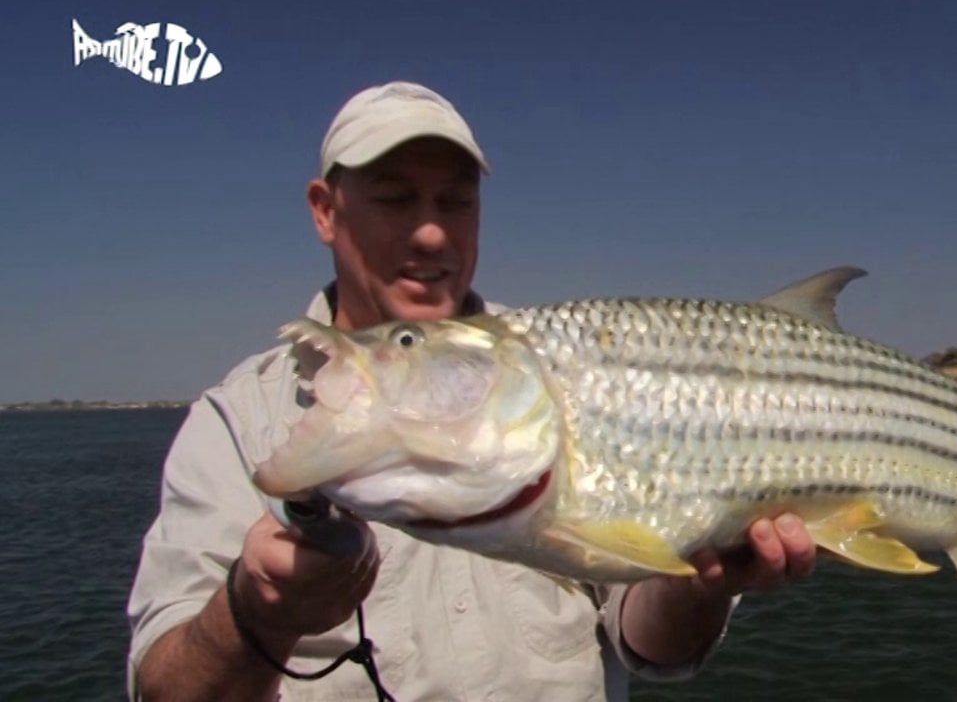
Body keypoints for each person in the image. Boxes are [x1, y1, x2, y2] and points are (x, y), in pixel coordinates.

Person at [126, 81, 817, 701]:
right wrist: (255, 615)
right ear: (324, 211)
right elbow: (162, 690)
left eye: (455, 201)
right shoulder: (235, 422)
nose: (431, 232)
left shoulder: (569, 373)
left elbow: (650, 647)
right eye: (395, 198)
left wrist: (701, 584)